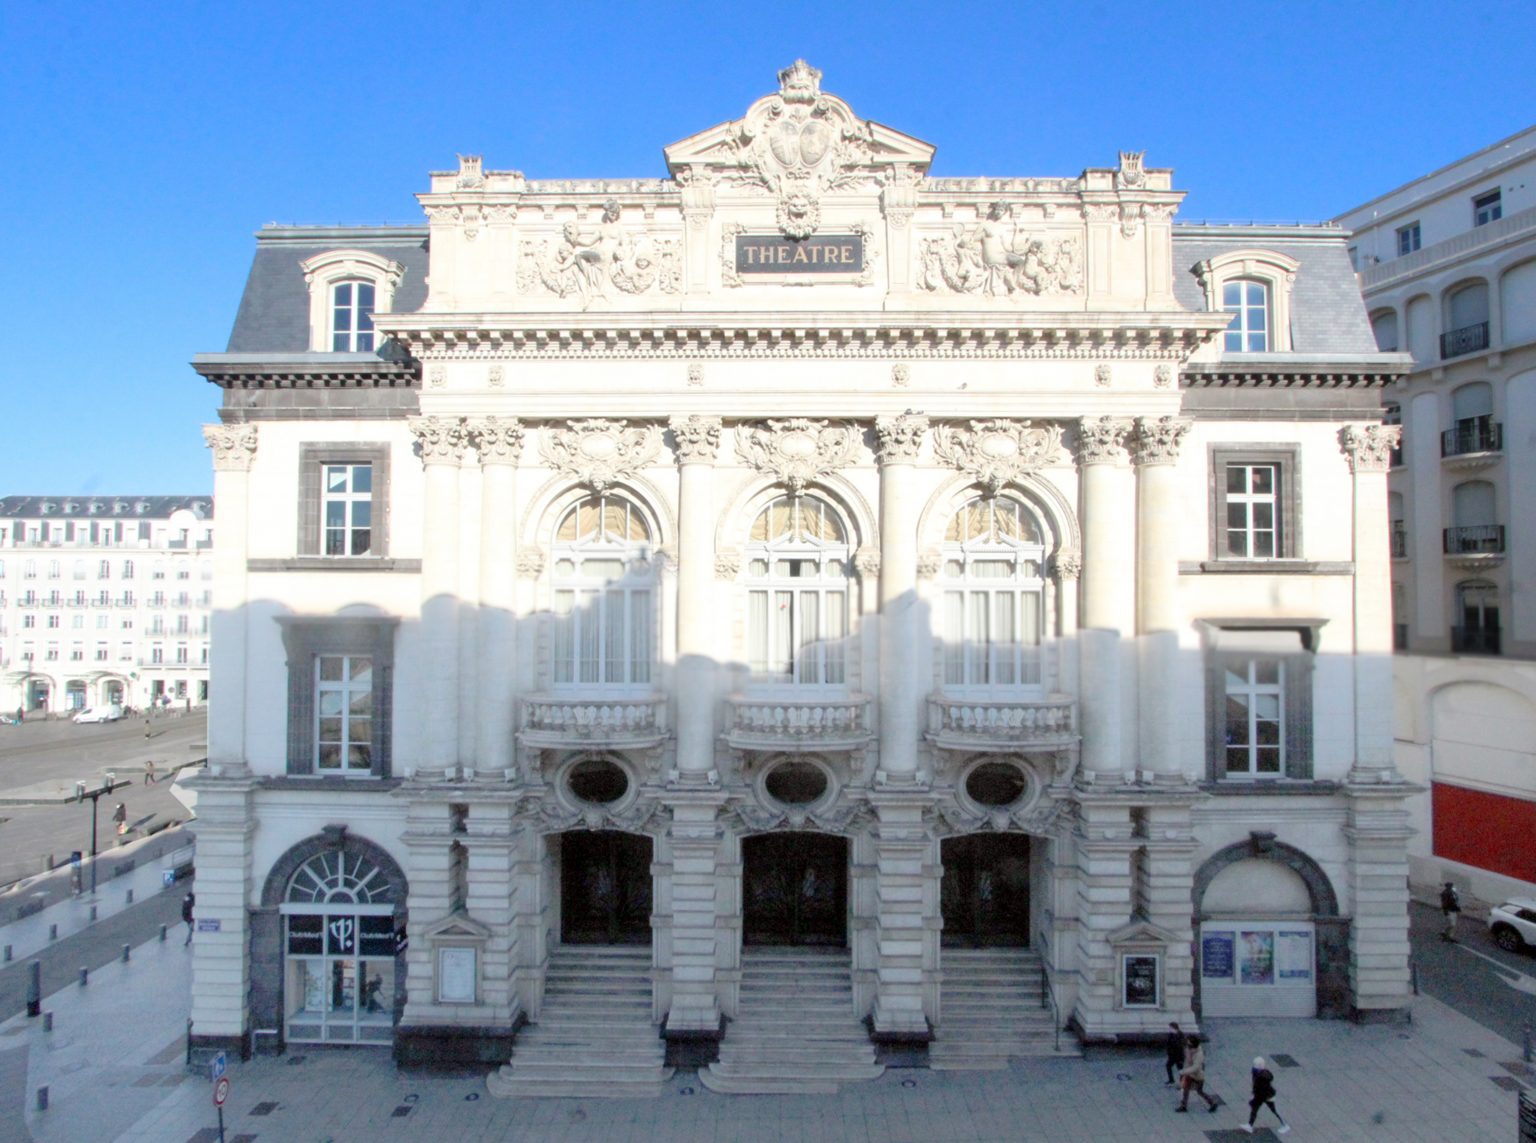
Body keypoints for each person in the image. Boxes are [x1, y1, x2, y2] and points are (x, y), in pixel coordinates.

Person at [1243, 1056, 1289, 1134]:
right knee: (1255, 1109)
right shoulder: (1261, 1074)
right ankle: (1250, 1125)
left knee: (1274, 1110)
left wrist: (1255, 1098)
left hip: (1266, 1096)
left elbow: (1261, 1090)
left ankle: (1285, 1125)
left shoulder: (1261, 1077)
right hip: (1264, 1095)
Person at [1176, 1034, 1221, 1113]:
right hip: (1189, 1074)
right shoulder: (1188, 1049)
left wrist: (1183, 1071)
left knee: (1199, 1091)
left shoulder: (1199, 1054)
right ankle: (1183, 1105)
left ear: (1193, 1044)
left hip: (1198, 1075)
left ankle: (1212, 1103)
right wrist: (1184, 1071)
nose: (1187, 1045)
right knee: (1186, 1089)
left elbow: (1195, 1067)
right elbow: (1187, 1061)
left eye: (1189, 1043)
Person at [1164, 1020, 1185, 1085]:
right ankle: (1171, 1079)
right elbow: (1168, 1044)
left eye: (1170, 1028)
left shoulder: (1180, 1035)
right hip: (1172, 1055)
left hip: (1179, 1055)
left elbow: (1180, 1045)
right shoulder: (1171, 1035)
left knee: (1180, 1068)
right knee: (1168, 1066)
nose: (1169, 1029)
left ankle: (1182, 1082)